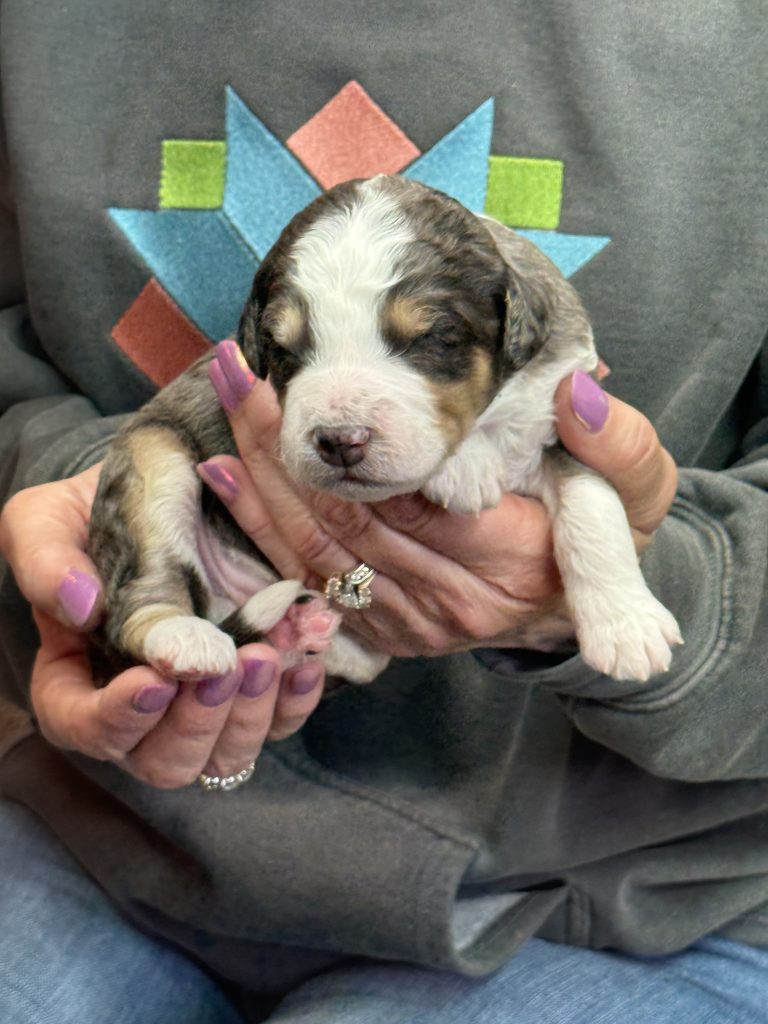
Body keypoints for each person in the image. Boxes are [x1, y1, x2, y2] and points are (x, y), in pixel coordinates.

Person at [1, 1, 767, 1021]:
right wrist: (62, 486)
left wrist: (643, 587)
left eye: (427, 344)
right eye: (298, 350)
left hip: (624, 902)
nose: (345, 421)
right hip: (107, 837)